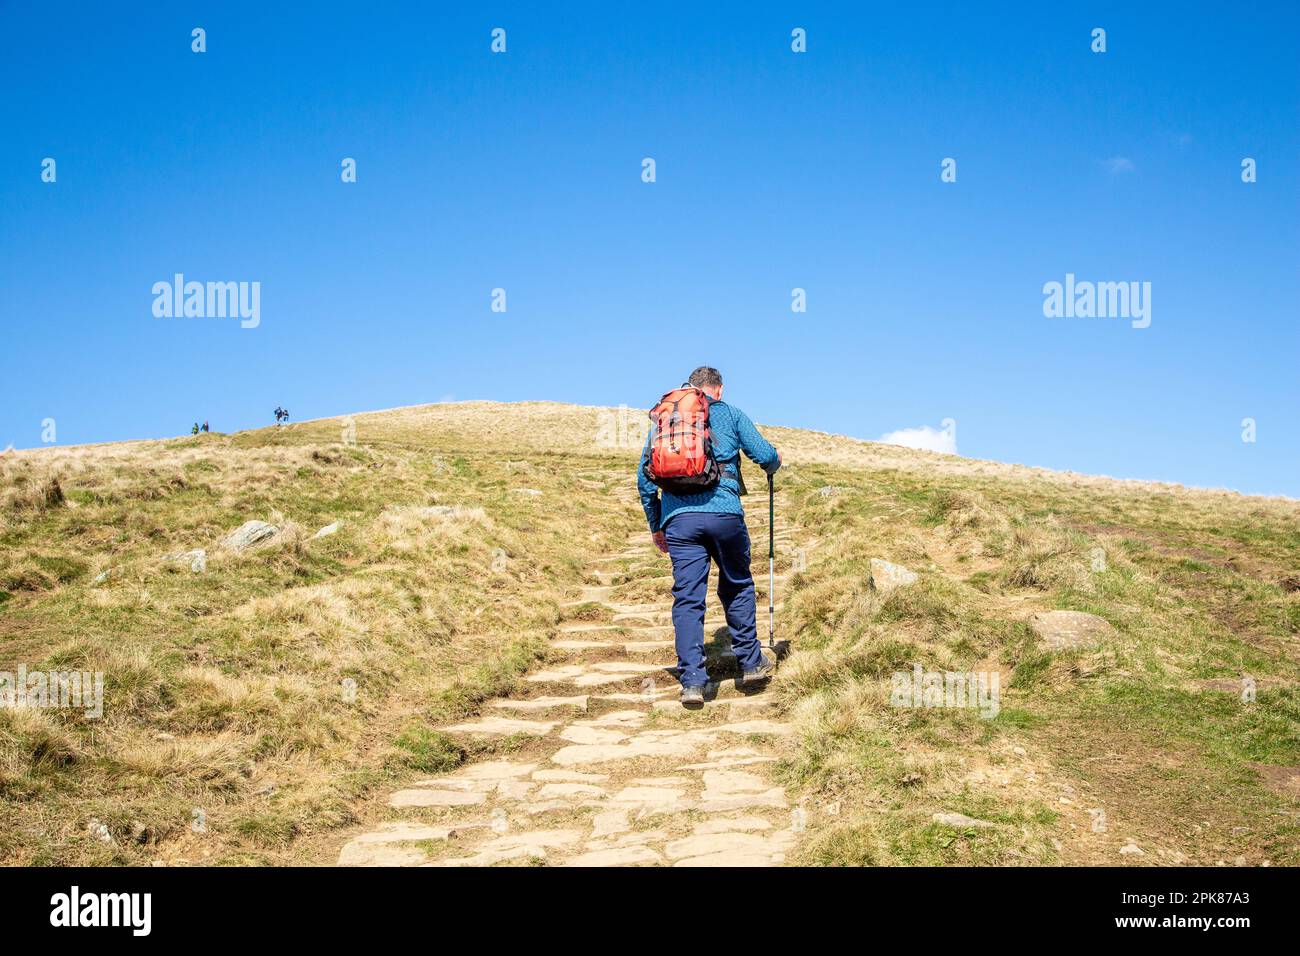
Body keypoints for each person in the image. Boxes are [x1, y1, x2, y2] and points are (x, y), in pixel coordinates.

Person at [637, 366, 781, 707]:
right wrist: (774, 464)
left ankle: (692, 682)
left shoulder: (667, 420)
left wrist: (657, 525)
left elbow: (645, 480)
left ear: (690, 389)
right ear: (719, 389)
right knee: (737, 584)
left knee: (687, 598)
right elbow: (764, 454)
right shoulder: (729, 413)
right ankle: (751, 663)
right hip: (725, 515)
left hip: (680, 522)